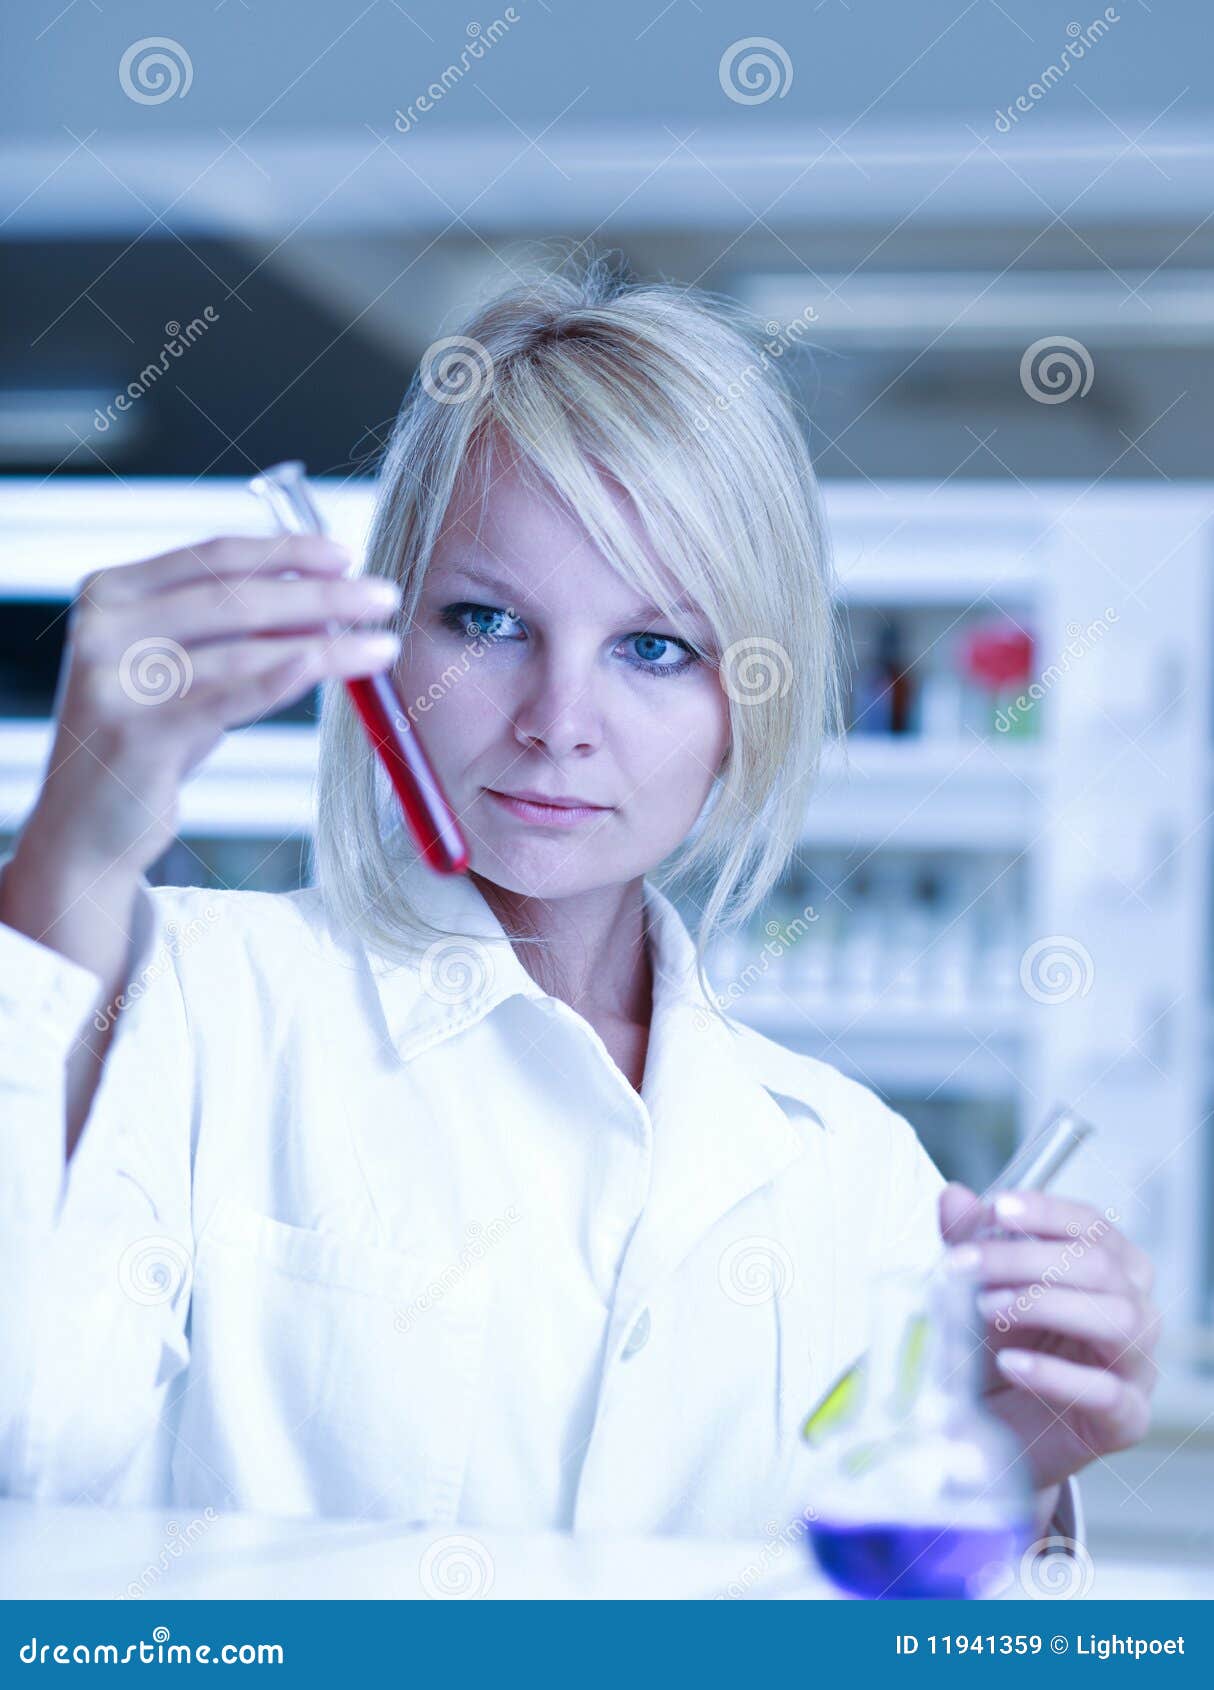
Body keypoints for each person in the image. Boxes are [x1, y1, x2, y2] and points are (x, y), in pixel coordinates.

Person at [0, 251, 1157, 1550]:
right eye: (486, 623)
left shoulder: (853, 1171)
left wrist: (1002, 1473)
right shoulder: (193, 998)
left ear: (745, 703)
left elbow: (850, 1625)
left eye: (652, 648)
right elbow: (27, 1435)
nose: (558, 723)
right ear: (386, 640)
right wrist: (78, 842)